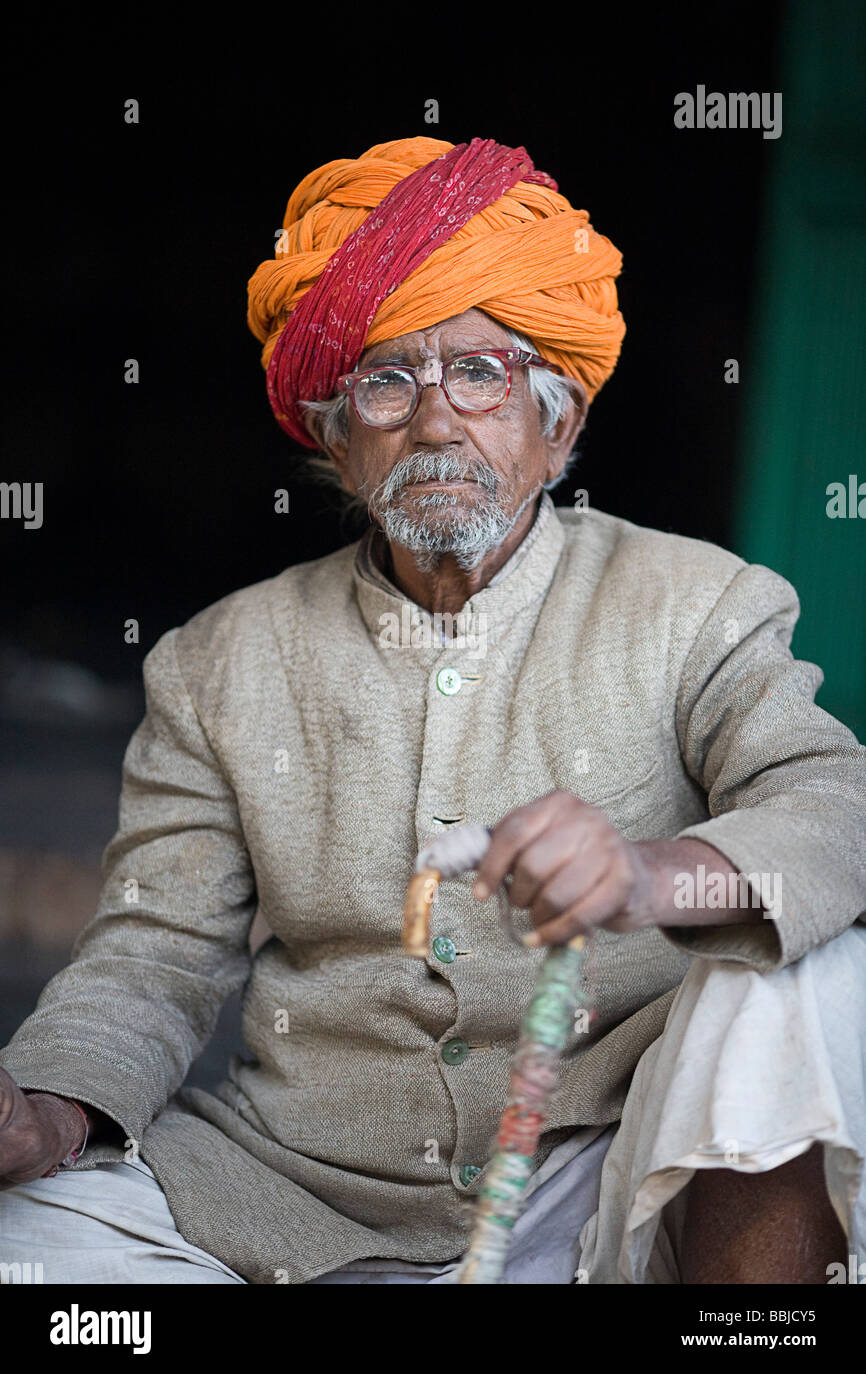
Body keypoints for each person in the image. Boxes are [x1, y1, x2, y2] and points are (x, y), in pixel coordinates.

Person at [1, 136, 864, 1286]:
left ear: (555, 425)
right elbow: (155, 955)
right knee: (30, 1241)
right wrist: (51, 1113)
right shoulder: (215, 663)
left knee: (809, 964)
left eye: (480, 373)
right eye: (387, 380)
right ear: (333, 436)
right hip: (290, 1200)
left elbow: (832, 808)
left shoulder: (698, 604)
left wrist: (653, 877)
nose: (436, 422)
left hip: (613, 1181)